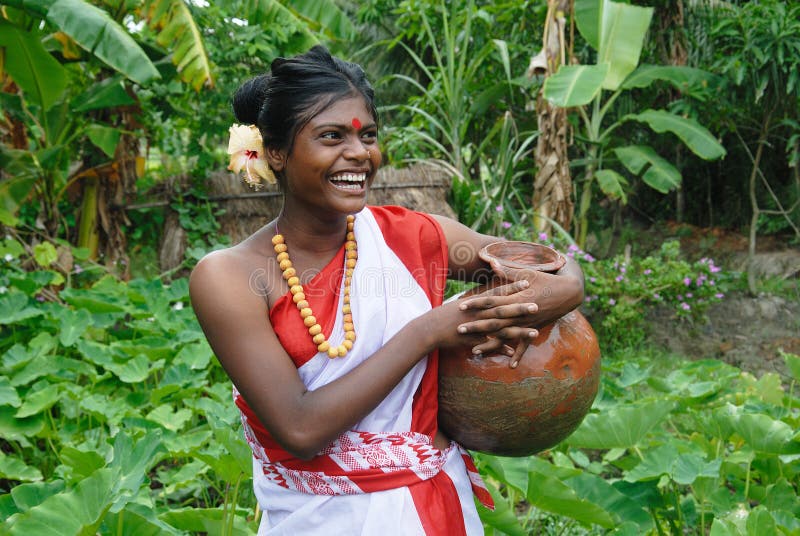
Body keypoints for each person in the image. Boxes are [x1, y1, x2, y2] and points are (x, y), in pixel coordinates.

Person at [189, 45, 584, 535]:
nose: (360, 153)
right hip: (318, 522)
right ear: (276, 152)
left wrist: (548, 296)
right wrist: (428, 332)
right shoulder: (228, 277)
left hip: (436, 511)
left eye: (368, 135)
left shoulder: (412, 237)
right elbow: (300, 429)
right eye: (332, 136)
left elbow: (559, 270)